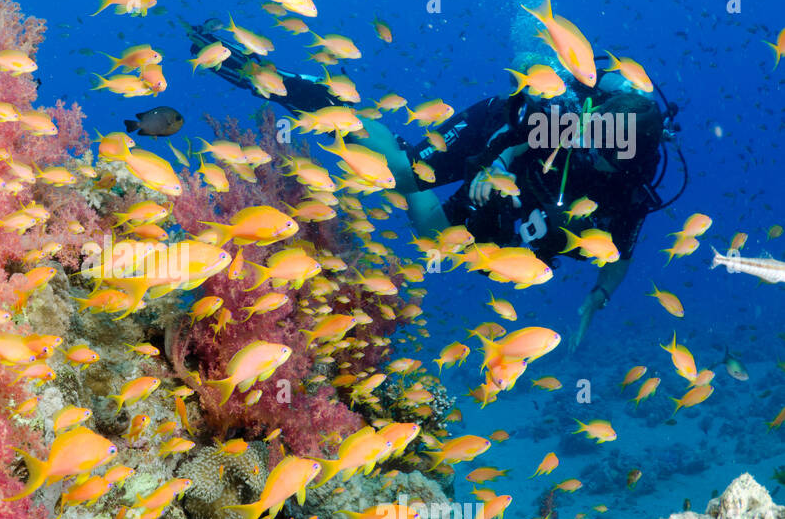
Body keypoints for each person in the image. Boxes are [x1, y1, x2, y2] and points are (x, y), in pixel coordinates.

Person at [188, 20, 679, 351]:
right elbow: (518, 140)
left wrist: (597, 300)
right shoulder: (568, 122)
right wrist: (493, 169)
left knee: (438, 243)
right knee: (403, 168)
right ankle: (258, 72)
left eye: (603, 154)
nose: (591, 153)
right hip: (501, 134)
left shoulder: (634, 182)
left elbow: (625, 252)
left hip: (521, 200)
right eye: (590, 143)